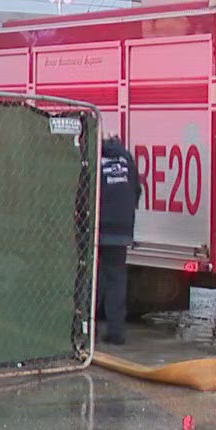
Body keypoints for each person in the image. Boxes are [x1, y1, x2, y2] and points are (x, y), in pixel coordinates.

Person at [96, 136, 141, 345]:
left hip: (98, 225)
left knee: (92, 278)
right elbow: (136, 190)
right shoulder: (126, 158)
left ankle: (88, 328)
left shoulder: (93, 157)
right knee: (116, 279)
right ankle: (116, 332)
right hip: (122, 228)